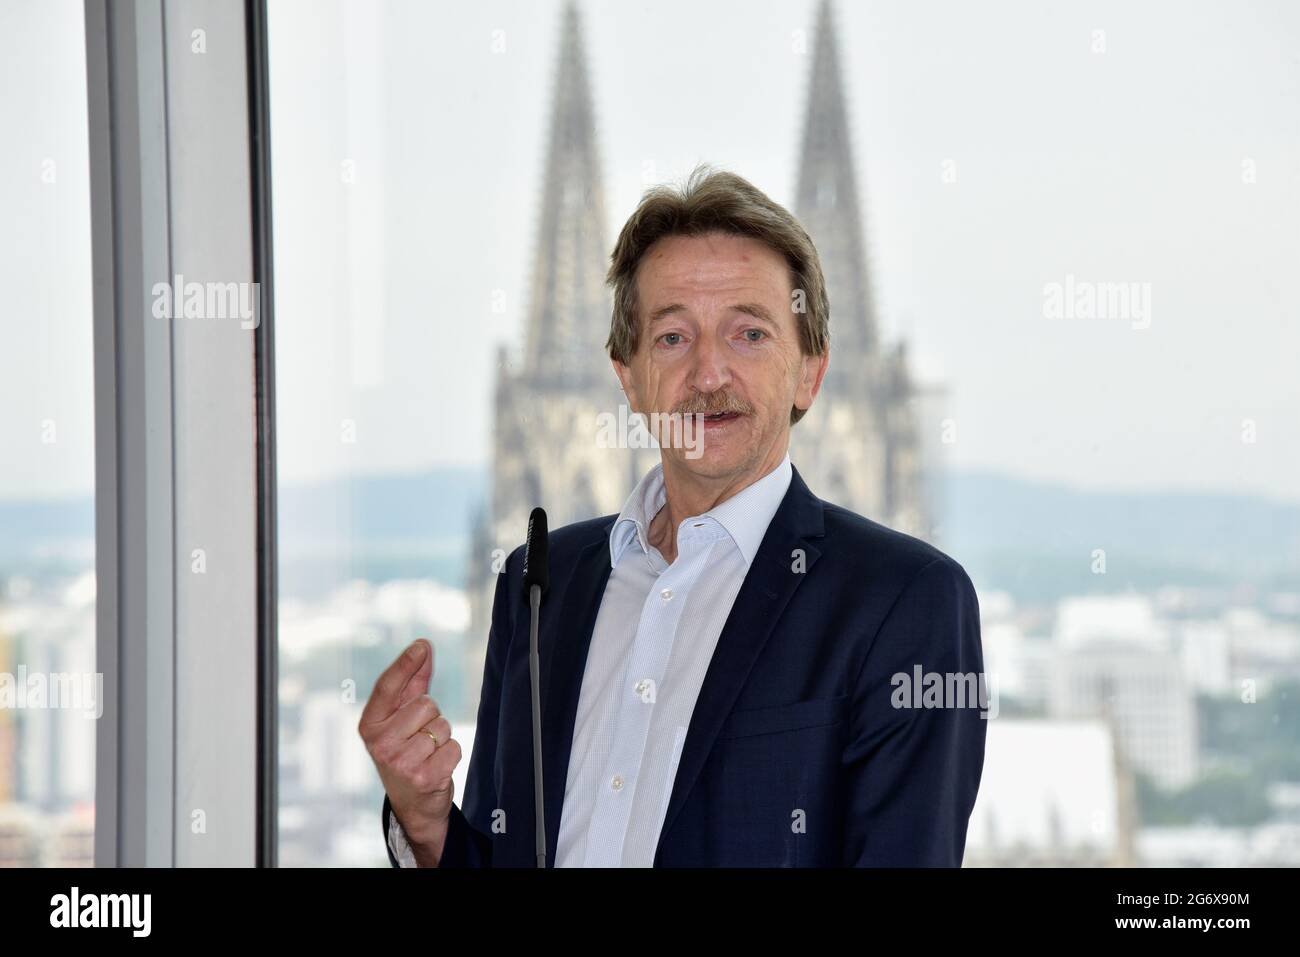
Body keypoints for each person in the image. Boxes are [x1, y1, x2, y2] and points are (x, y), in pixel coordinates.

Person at [358, 164, 987, 867]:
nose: (709, 372)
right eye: (672, 337)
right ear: (628, 377)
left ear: (809, 371)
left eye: (749, 334)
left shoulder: (903, 601)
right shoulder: (540, 586)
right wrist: (426, 824)